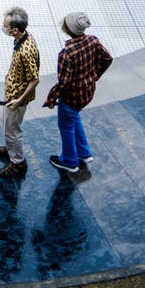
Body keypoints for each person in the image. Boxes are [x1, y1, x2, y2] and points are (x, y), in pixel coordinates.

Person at [43, 12, 113, 173]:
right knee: (74, 118)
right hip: (87, 93)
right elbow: (108, 59)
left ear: (67, 29)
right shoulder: (93, 40)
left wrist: (51, 98)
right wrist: (94, 76)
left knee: (66, 127)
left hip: (72, 98)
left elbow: (64, 83)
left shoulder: (66, 54)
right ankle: (84, 152)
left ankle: (69, 161)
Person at [0, 7, 40, 179]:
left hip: (16, 98)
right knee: (6, 124)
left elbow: (35, 79)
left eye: (7, 26)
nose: (5, 28)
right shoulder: (22, 37)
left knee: (12, 130)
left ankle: (18, 162)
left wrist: (19, 100)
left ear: (15, 30)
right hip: (12, 93)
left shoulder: (25, 51)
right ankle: (11, 148)